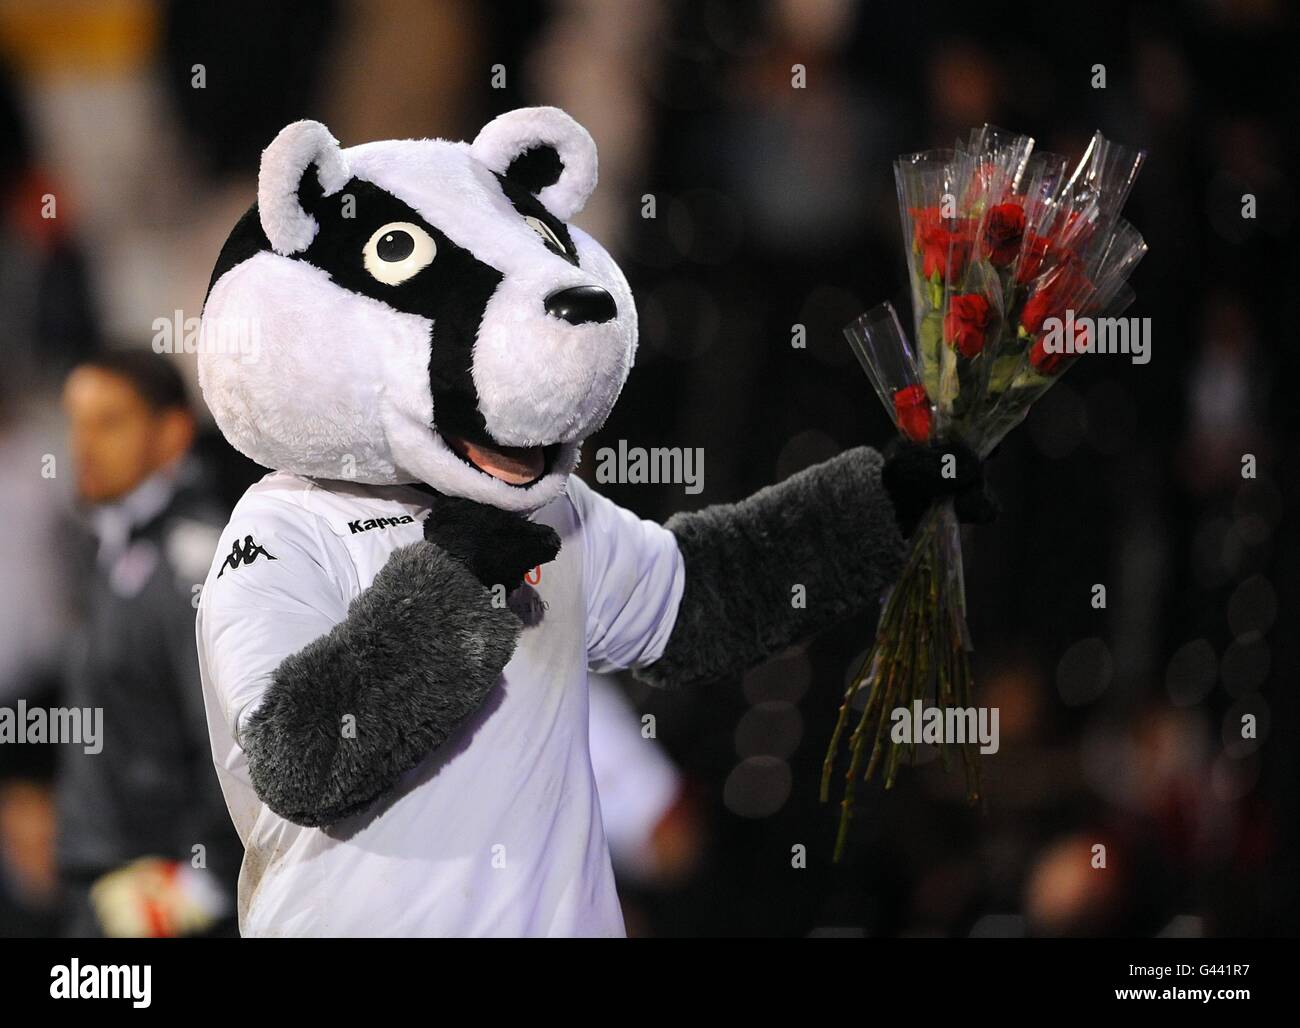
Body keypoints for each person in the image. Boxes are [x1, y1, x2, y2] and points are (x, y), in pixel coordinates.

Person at [57, 350, 241, 937]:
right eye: (76, 422)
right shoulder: (115, 547)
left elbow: (232, 745)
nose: (83, 445)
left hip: (161, 906)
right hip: (110, 893)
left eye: (109, 422)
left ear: (171, 433)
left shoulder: (192, 564)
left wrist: (196, 886)